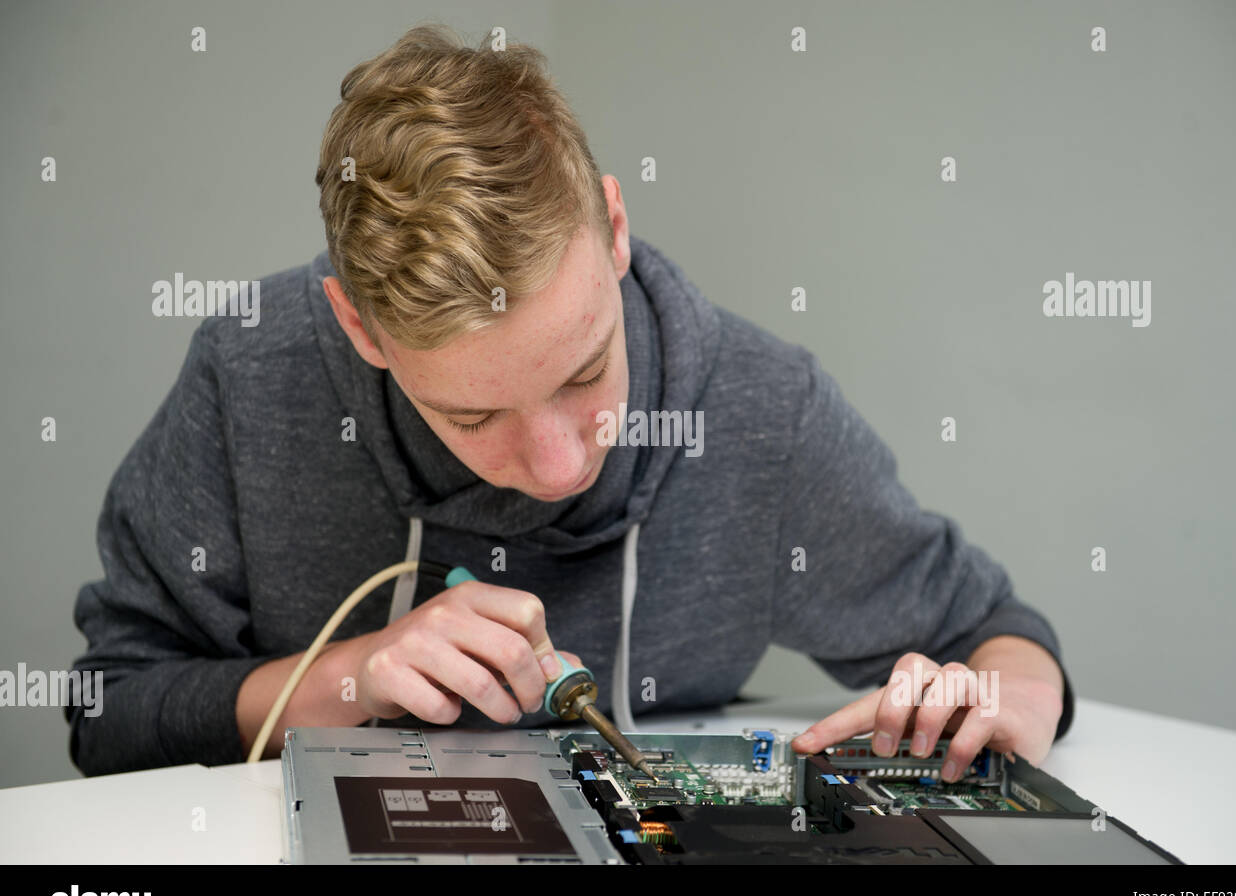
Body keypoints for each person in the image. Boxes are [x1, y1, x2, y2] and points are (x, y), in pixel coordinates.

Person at [67, 23, 1072, 778]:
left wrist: (1005, 700)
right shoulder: (251, 377)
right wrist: (350, 676)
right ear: (360, 330)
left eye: (586, 371)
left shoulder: (764, 414)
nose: (559, 466)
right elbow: (107, 711)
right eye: (470, 417)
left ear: (614, 226)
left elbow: (996, 628)